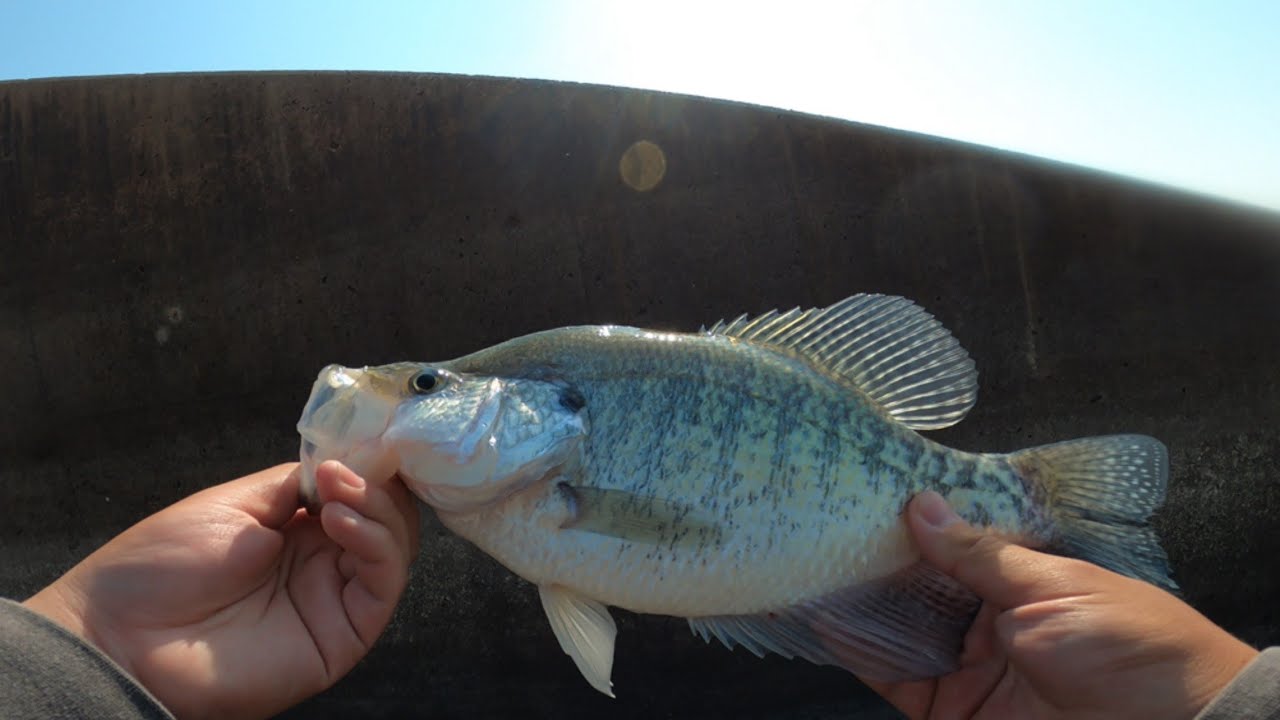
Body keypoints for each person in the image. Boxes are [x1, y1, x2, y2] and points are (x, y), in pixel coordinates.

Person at [2, 465, 1276, 719]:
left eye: (438, 389)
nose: (414, 405)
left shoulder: (537, 492)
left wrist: (82, 647)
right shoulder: (522, 502)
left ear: (537, 421)